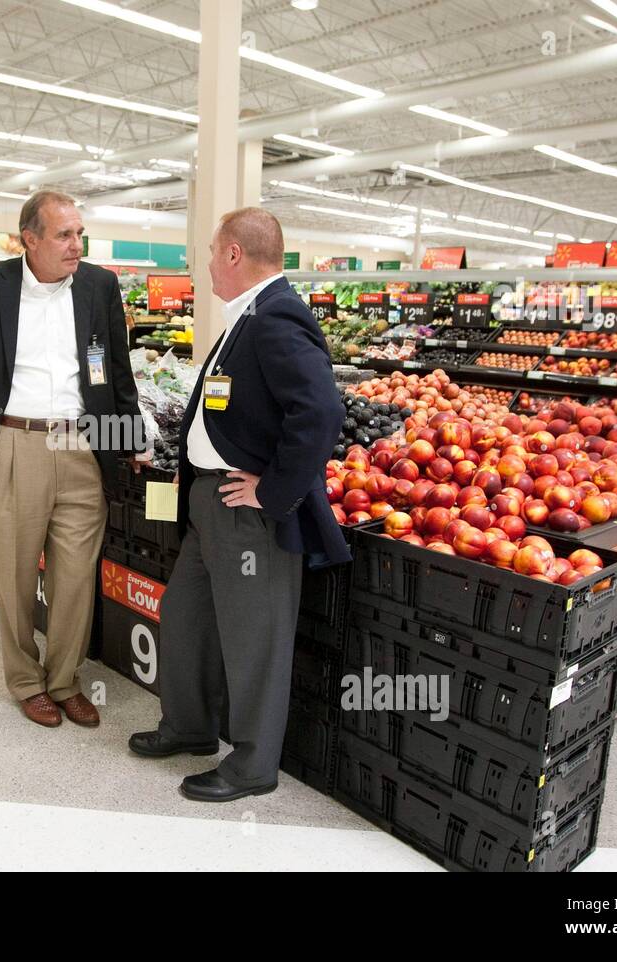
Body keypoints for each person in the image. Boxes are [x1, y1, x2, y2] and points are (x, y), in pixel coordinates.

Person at [128, 207, 350, 802]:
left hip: (246, 513)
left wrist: (273, 490)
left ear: (233, 254)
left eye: (209, 252)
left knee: (254, 636)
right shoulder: (247, 316)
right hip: (209, 503)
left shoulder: (277, 317)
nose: (204, 265)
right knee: (185, 617)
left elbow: (321, 412)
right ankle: (191, 727)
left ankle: (252, 764)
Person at [0, 191, 145, 729]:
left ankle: (65, 679)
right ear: (29, 238)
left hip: (81, 446)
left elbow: (116, 369)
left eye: (80, 234)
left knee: (76, 575)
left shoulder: (100, 286)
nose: (77, 245)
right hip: (12, 445)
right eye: (64, 235)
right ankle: (26, 681)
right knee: (16, 574)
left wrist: (129, 434)